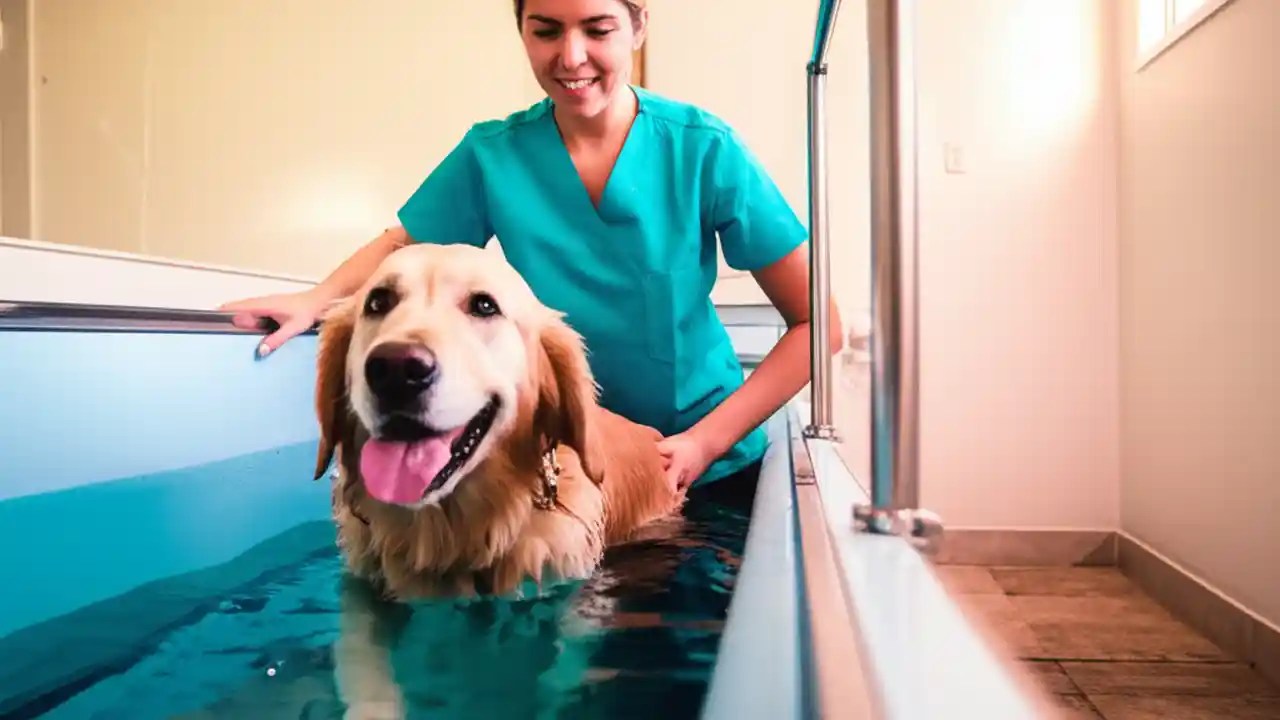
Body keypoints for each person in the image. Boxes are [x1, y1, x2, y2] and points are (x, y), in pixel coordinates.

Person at [220, 0, 840, 493]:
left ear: (638, 25)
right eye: (546, 31)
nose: (572, 57)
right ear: (521, 30)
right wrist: (318, 299)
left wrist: (703, 444)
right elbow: (404, 244)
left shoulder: (702, 148)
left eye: (598, 29)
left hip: (708, 464)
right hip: (572, 457)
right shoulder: (493, 154)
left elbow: (819, 324)